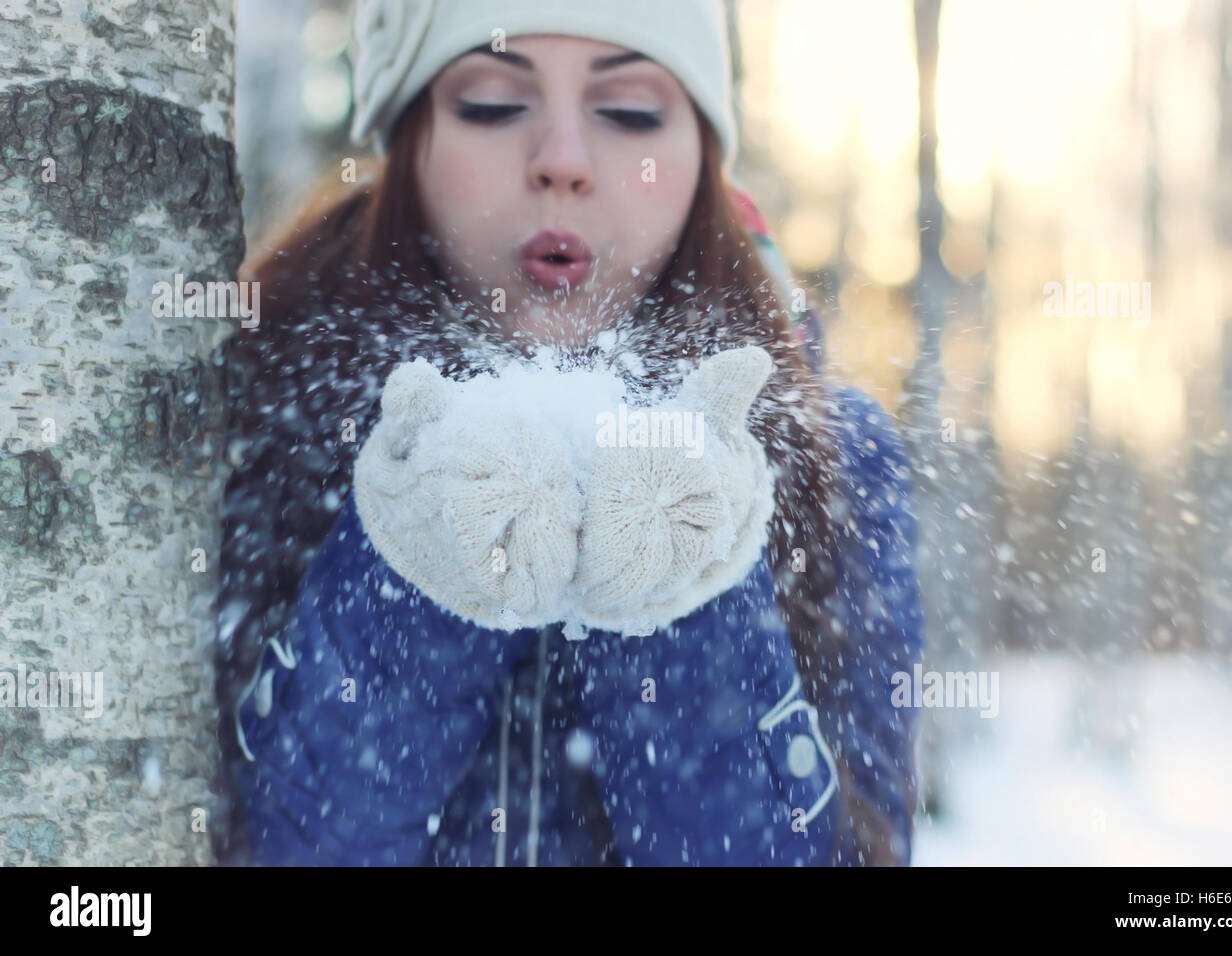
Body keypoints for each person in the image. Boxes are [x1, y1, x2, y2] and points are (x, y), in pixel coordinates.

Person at [213, 0, 926, 866]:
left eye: (628, 112)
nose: (561, 161)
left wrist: (687, 601)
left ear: (700, 154)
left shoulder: (837, 455)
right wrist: (413, 577)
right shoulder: (253, 406)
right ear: (411, 149)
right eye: (491, 105)